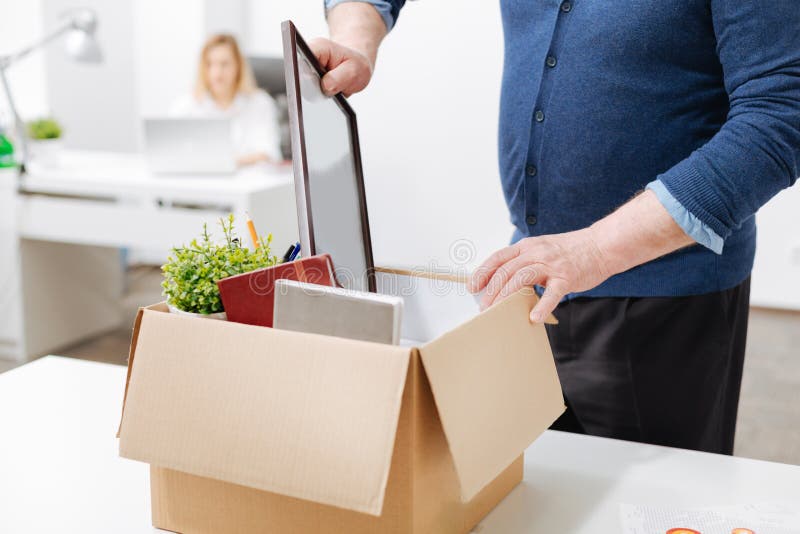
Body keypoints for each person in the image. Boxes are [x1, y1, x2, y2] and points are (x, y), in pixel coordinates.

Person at [314, 1, 800, 454]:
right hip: (532, 284)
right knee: (538, 498)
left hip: (667, 303)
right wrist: (356, 41)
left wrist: (594, 251)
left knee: (649, 511)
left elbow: (781, 112)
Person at [171, 33, 282, 166]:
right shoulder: (186, 105)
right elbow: (173, 153)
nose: (217, 73)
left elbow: (268, 154)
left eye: (224, 64)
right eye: (209, 64)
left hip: (248, 181)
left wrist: (223, 163)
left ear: (238, 67)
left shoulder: (260, 103)